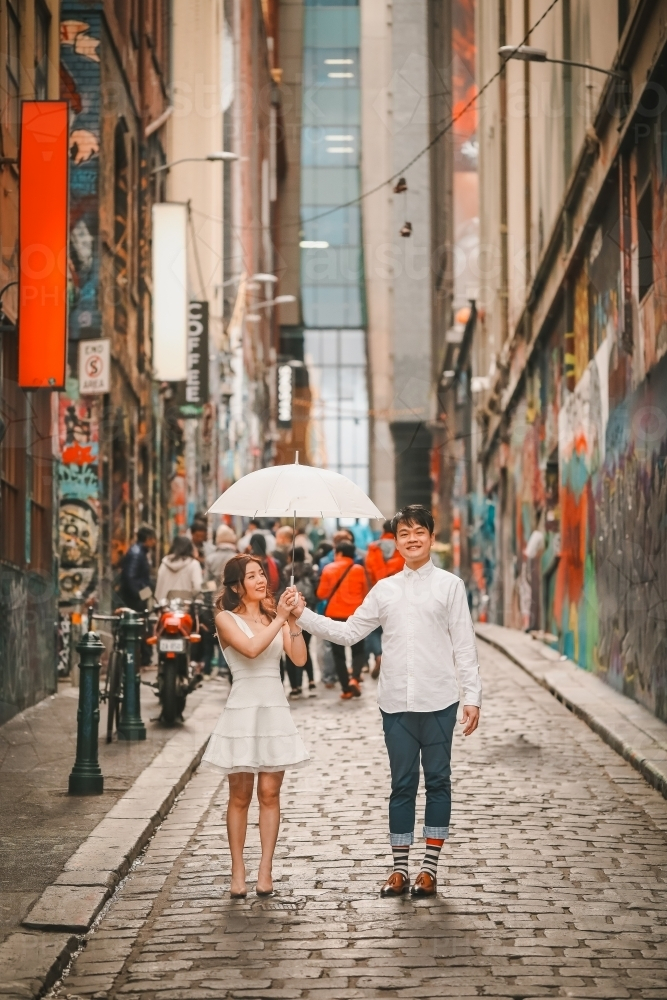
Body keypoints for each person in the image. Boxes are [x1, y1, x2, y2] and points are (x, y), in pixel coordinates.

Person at [289, 504, 481, 898]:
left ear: (430, 536)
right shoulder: (384, 590)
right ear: (395, 542)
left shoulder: (450, 586)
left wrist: (472, 696)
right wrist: (302, 614)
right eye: (404, 533)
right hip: (396, 703)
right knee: (402, 784)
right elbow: (347, 633)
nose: (412, 539)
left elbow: (464, 645)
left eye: (419, 532)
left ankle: (429, 869)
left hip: (440, 700)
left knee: (439, 781)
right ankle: (399, 869)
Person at [202, 554, 310, 897]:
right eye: (252, 576)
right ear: (237, 585)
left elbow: (299, 659)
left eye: (262, 573)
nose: (261, 580)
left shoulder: (271, 617)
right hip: (243, 711)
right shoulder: (225, 618)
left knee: (270, 793)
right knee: (240, 795)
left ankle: (266, 868)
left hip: (274, 709)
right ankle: (238, 869)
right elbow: (250, 649)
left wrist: (292, 620)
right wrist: (279, 618)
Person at [316, 540, 368, 700]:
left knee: (338, 654)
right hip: (356, 615)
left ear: (338, 553)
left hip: (335, 615)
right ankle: (355, 678)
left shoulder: (328, 569)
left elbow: (321, 594)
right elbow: (365, 592)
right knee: (358, 650)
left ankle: (346, 688)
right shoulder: (359, 569)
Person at [364, 520, 405, 679]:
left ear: (383, 530)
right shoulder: (402, 548)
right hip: (398, 594)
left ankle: (379, 655)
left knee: (374, 630)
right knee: (395, 629)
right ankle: (394, 663)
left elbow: (368, 571)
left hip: (377, 592)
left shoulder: (373, 548)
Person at [282, 546, 316, 697]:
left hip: (290, 612)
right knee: (305, 647)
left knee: (291, 648)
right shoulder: (311, 569)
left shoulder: (287, 571)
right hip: (307, 611)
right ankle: (311, 680)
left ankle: (295, 686)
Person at [155, 536, 203, 603]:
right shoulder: (194, 564)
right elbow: (198, 588)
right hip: (186, 607)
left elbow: (158, 589)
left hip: (165, 607)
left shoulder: (164, 564)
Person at [119, 526, 156, 612]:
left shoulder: (140, 552)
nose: (154, 542)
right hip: (134, 600)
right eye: (153, 539)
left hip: (137, 597)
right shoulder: (137, 553)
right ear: (148, 539)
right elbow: (130, 577)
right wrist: (140, 596)